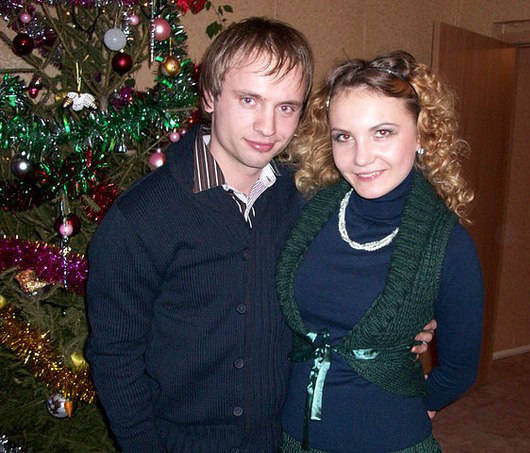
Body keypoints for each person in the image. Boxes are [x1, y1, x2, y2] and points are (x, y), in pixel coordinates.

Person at [85, 18, 434, 453]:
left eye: (286, 107)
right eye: (249, 99)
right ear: (210, 96)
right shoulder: (141, 218)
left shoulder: (308, 199)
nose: (268, 127)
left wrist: (406, 322)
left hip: (287, 439)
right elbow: (115, 357)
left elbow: (352, 280)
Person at [276, 51, 484, 453]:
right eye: (344, 136)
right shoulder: (307, 214)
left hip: (391, 441)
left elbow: (459, 371)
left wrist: (414, 400)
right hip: (292, 439)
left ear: (421, 134)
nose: (361, 157)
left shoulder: (447, 246)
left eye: (382, 132)